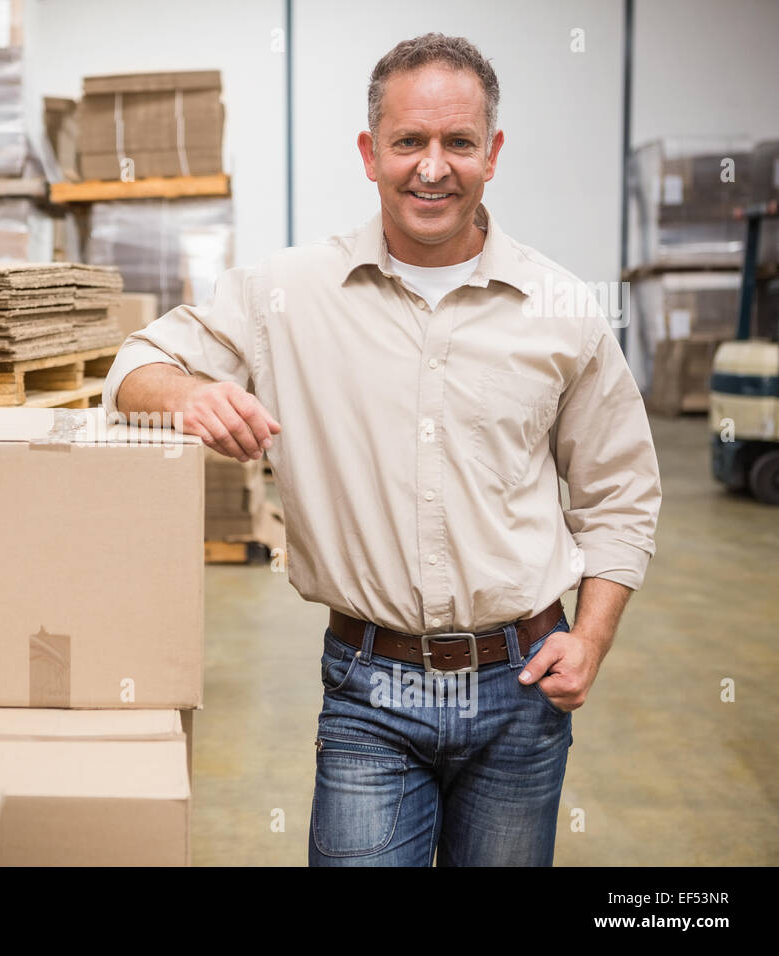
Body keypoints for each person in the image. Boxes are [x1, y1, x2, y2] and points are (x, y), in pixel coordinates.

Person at [101, 32, 662, 866]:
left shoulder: (562, 308)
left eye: (457, 143)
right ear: (371, 153)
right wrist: (191, 395)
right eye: (409, 142)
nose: (432, 168)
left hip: (521, 687)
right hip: (370, 689)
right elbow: (131, 367)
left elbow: (620, 495)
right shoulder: (286, 294)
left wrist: (594, 637)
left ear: (492, 153)